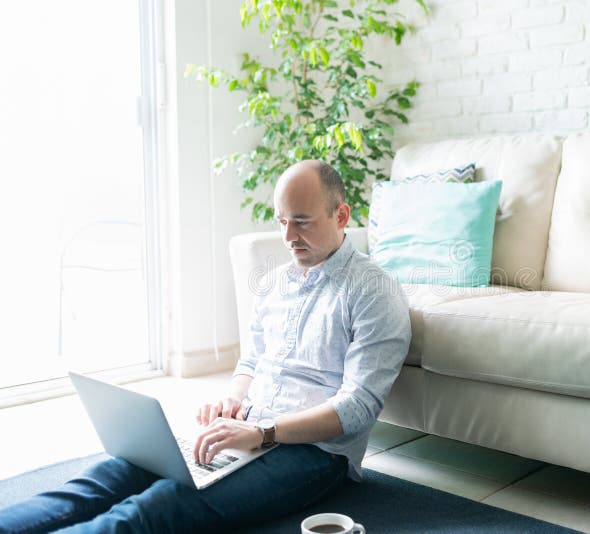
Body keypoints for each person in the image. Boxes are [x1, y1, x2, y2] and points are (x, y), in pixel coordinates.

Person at [0, 160, 412, 533]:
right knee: (108, 477)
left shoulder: (374, 292)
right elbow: (252, 361)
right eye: (281, 220)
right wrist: (231, 401)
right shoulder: (274, 284)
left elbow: (357, 408)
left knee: (153, 511)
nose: (287, 236)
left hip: (314, 455)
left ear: (341, 215)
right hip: (248, 428)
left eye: (301, 222)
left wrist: (262, 433)